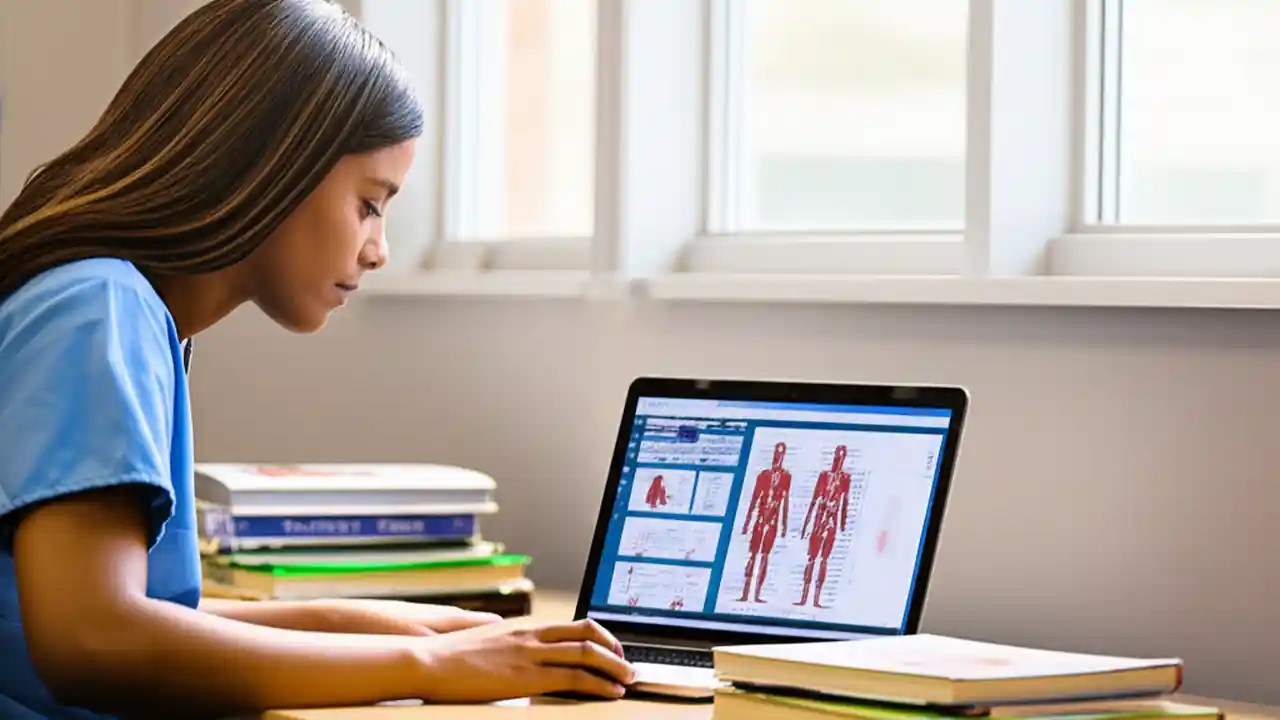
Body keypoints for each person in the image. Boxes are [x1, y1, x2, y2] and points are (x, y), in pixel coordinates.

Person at [0, 1, 634, 718]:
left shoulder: (126, 312)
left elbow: (149, 618)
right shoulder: (99, 310)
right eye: (370, 203)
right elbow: (95, 640)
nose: (379, 248)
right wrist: (427, 663)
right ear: (272, 166)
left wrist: (374, 625)